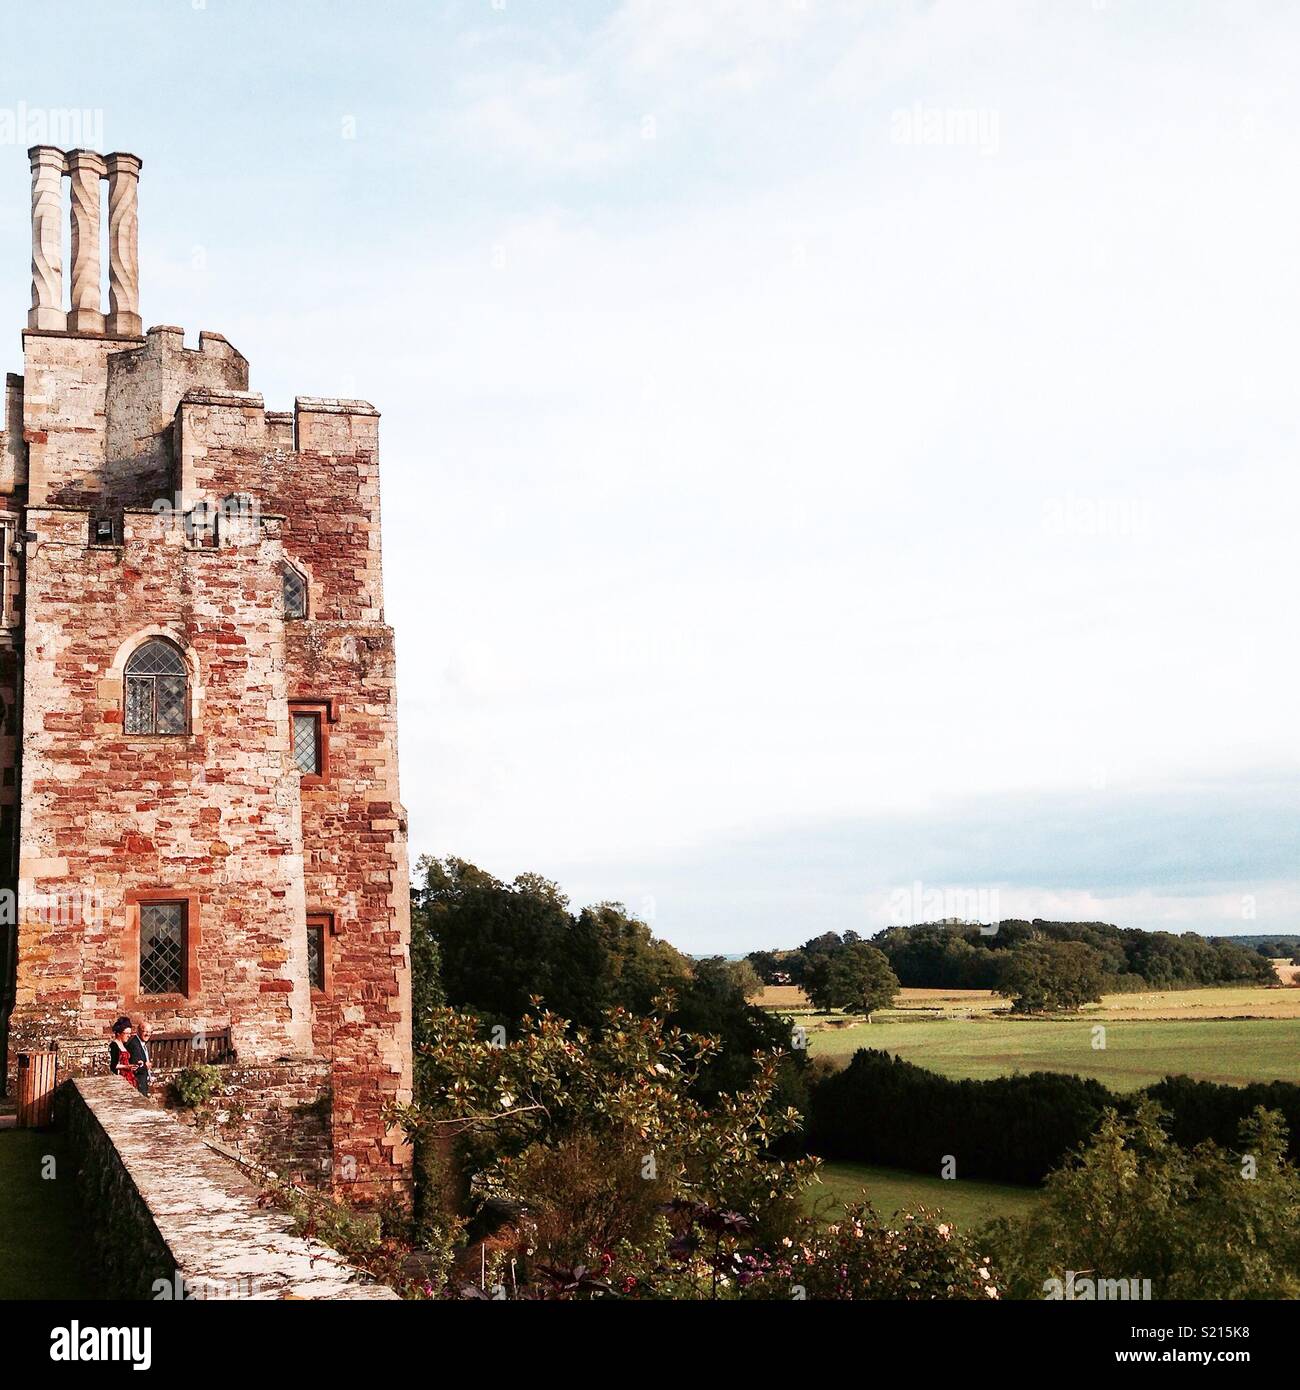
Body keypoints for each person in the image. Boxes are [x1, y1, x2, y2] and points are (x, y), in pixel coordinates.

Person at [108, 1017, 137, 1089]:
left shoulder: (124, 1045)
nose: (129, 1036)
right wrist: (126, 1067)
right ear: (118, 1034)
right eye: (126, 1033)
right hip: (120, 1077)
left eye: (130, 1033)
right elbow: (113, 1065)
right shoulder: (114, 1045)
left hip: (129, 1076)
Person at [127, 1019, 151, 1096]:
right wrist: (145, 1066)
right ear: (139, 1031)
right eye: (145, 1031)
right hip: (137, 1082)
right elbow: (134, 1067)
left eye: (150, 1032)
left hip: (142, 1081)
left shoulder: (141, 1043)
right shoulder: (134, 1045)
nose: (148, 1034)